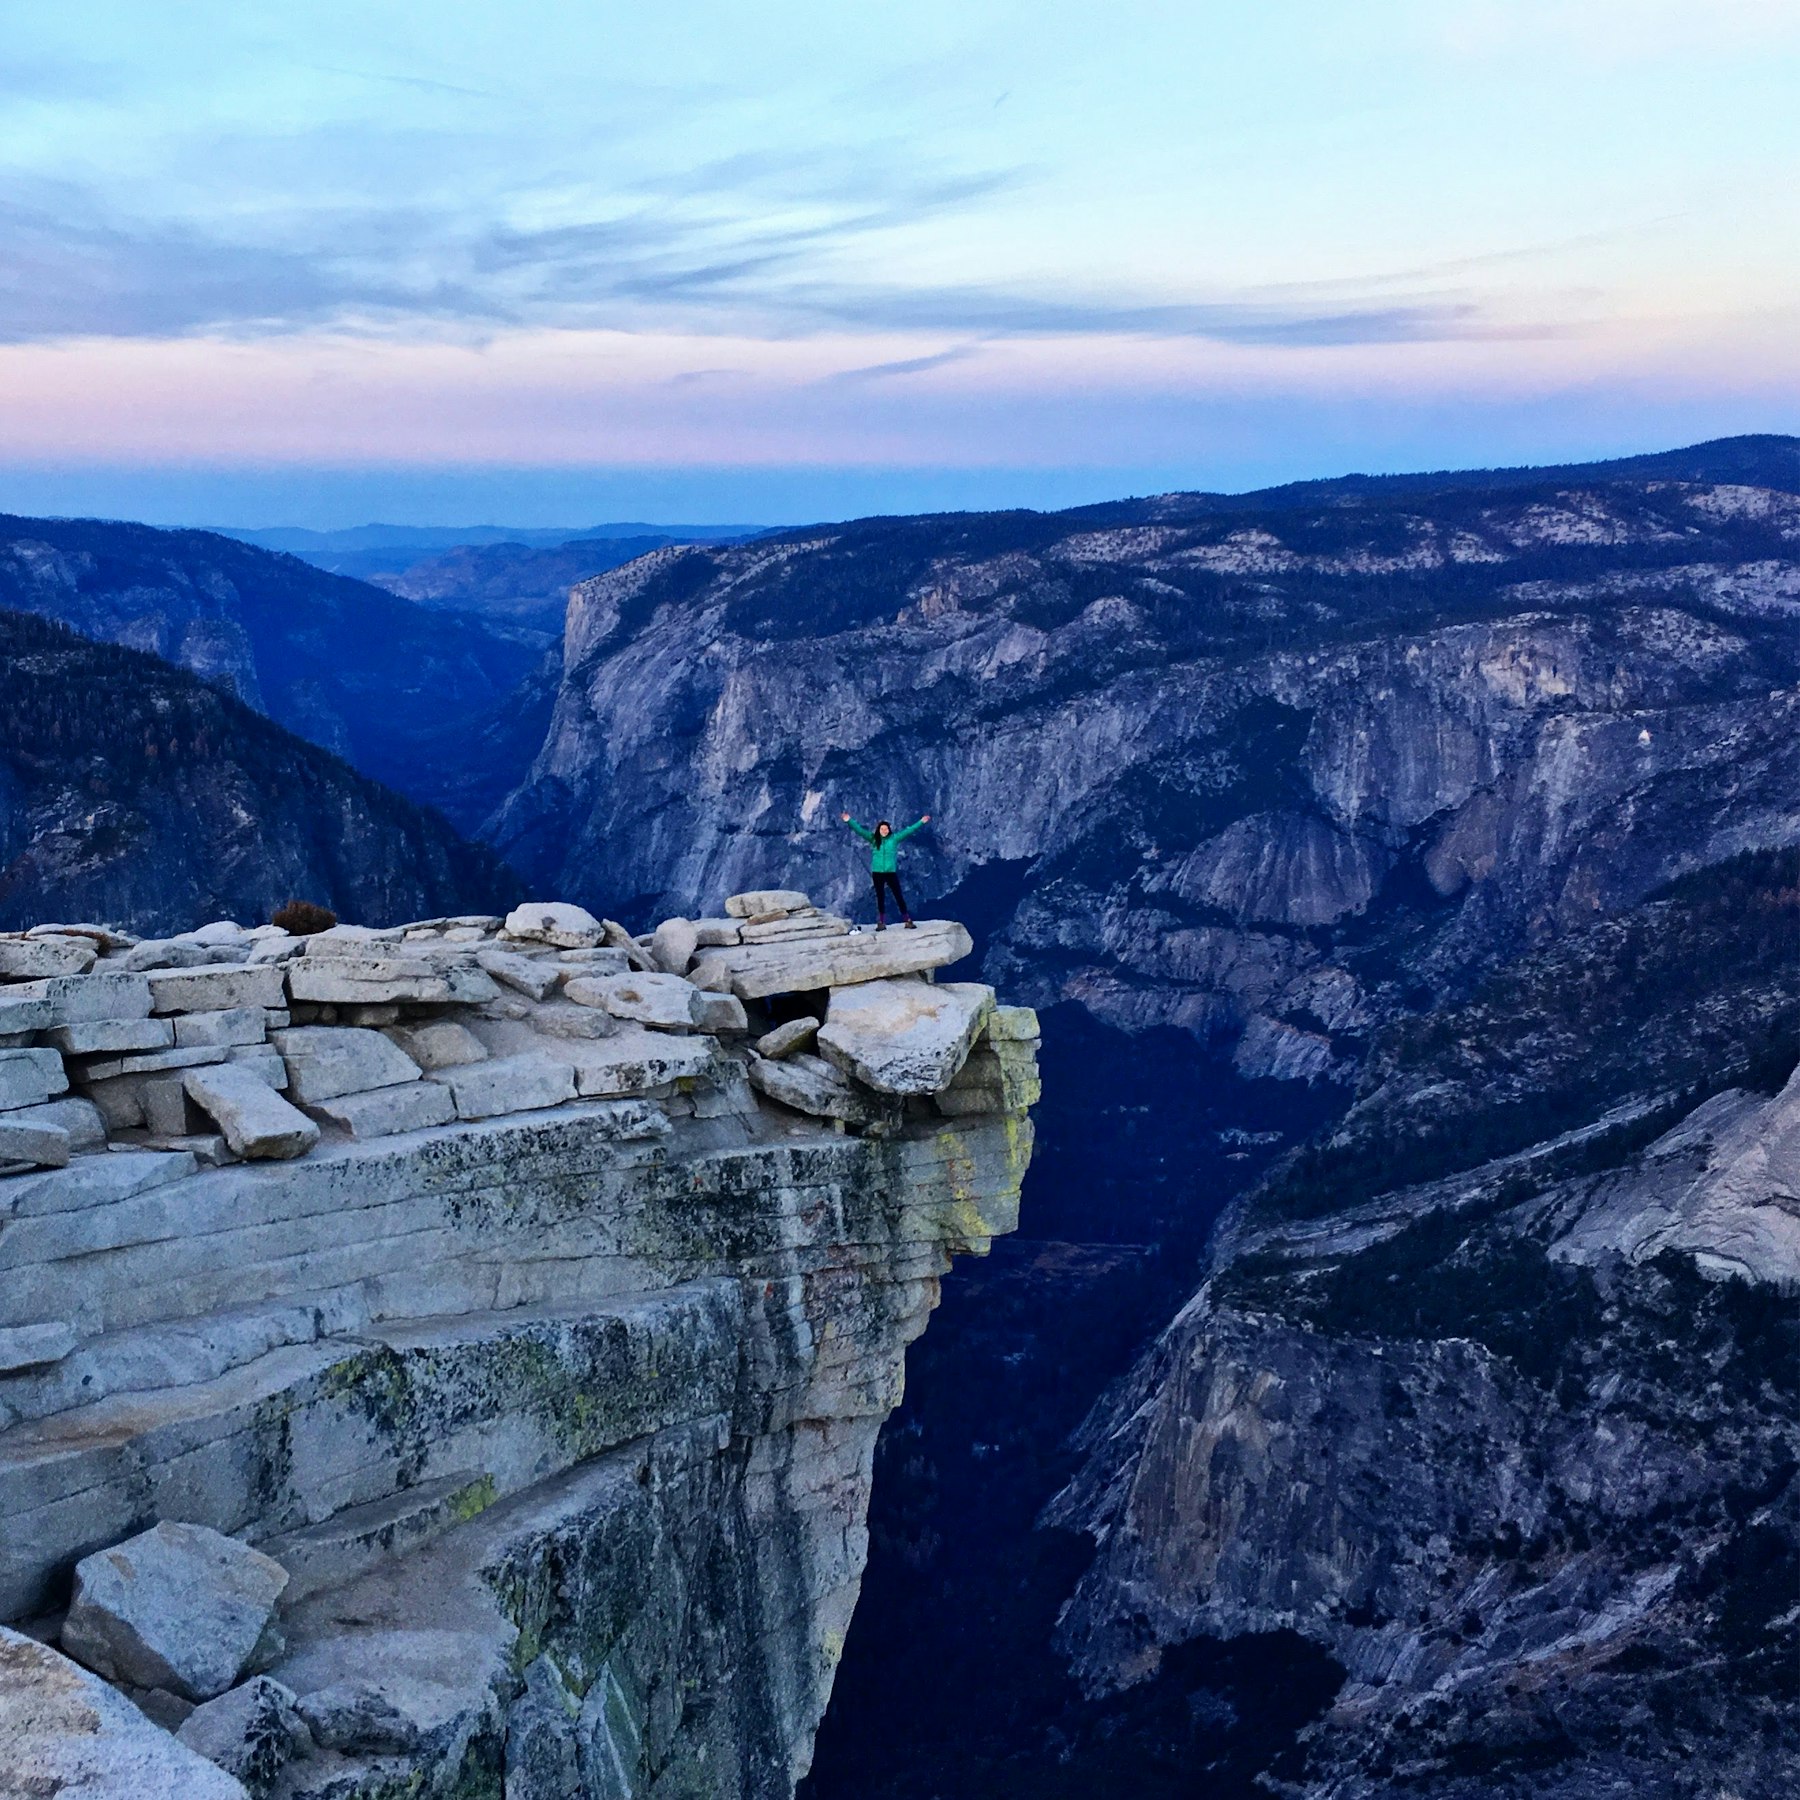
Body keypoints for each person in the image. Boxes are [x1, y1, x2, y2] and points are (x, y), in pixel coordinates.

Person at [841, 811, 930, 929]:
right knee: (880, 897)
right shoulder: (873, 839)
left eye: (886, 829)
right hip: (877, 873)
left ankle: (907, 920)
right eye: (882, 829)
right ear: (878, 830)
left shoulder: (894, 839)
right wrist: (849, 820)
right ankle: (881, 922)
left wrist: (921, 822)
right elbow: (860, 831)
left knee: (898, 895)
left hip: (890, 872)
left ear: (889, 830)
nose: (884, 831)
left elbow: (909, 831)